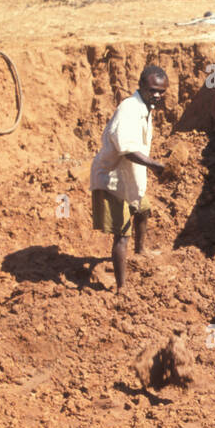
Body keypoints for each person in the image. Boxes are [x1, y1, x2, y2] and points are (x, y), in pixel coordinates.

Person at [90, 64, 167, 292]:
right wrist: (154, 165)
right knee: (122, 235)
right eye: (152, 89)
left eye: (161, 91)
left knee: (143, 210)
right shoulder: (129, 110)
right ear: (141, 86)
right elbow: (127, 149)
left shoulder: (145, 107)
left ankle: (141, 251)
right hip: (113, 179)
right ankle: (122, 287)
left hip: (131, 177)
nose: (157, 95)